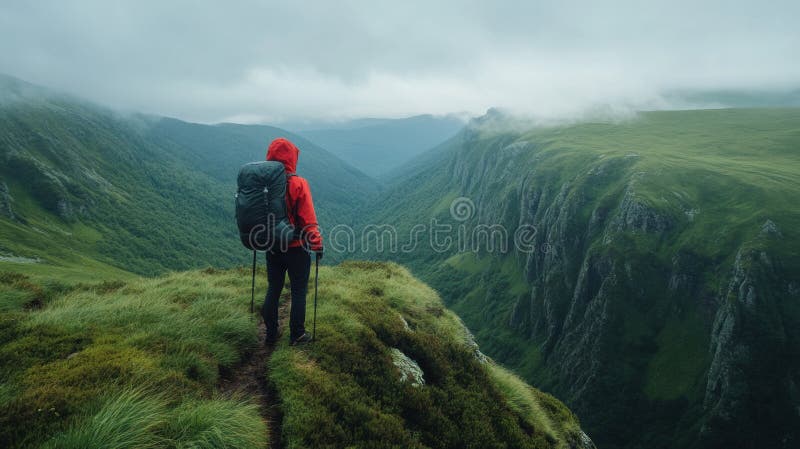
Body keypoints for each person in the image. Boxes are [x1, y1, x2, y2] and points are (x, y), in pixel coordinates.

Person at [262, 137, 323, 345]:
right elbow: (308, 220)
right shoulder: (298, 183)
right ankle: (297, 335)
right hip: (296, 248)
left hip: (271, 247)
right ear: (291, 158)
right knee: (298, 291)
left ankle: (270, 334)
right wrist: (317, 243)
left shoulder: (263, 184)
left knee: (274, 288)